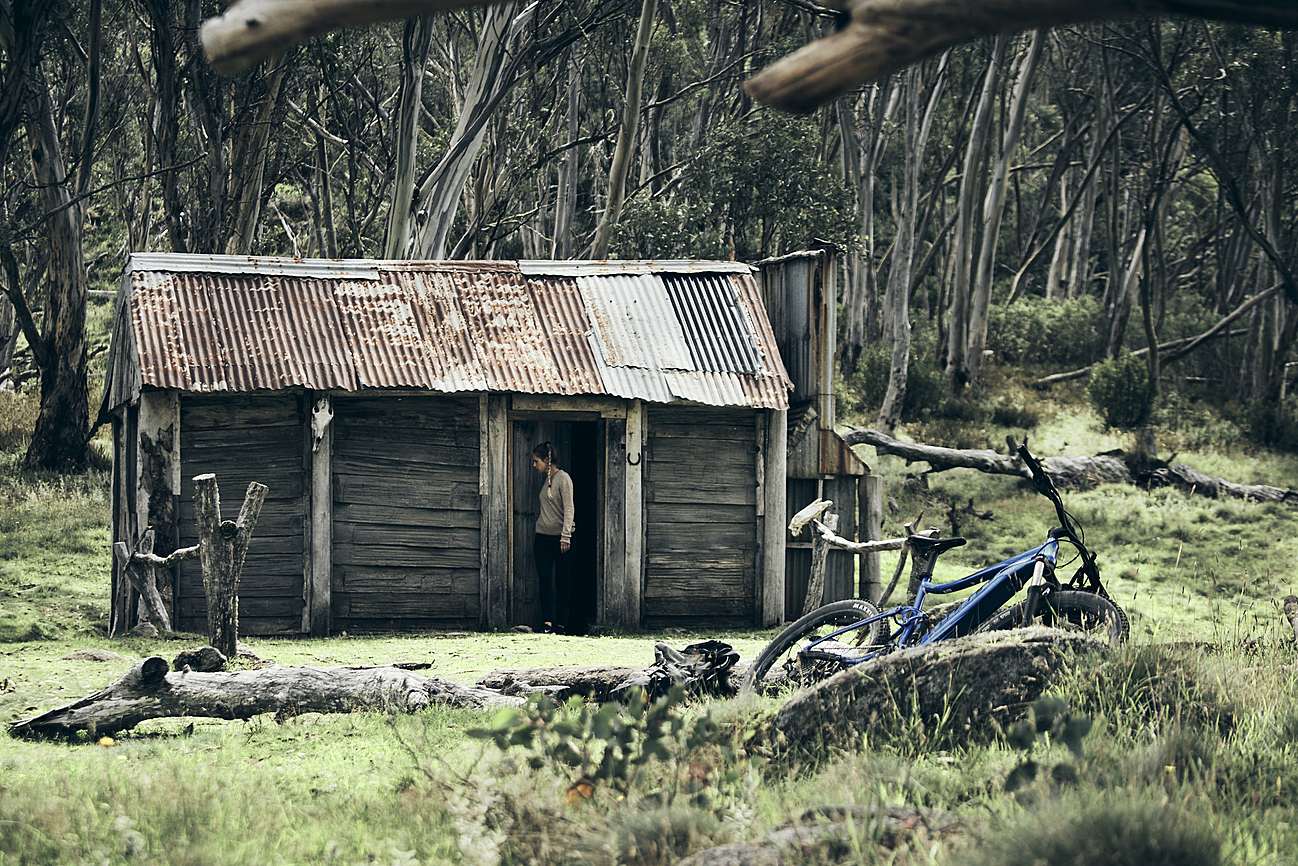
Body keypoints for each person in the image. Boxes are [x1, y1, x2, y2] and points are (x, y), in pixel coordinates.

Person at [532, 442, 574, 633]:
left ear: (547, 460)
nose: (534, 465)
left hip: (560, 539)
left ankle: (561, 624)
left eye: (536, 461)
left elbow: (569, 508)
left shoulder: (563, 478)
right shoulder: (546, 480)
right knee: (544, 579)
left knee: (563, 580)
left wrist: (565, 536)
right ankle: (547, 622)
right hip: (543, 537)